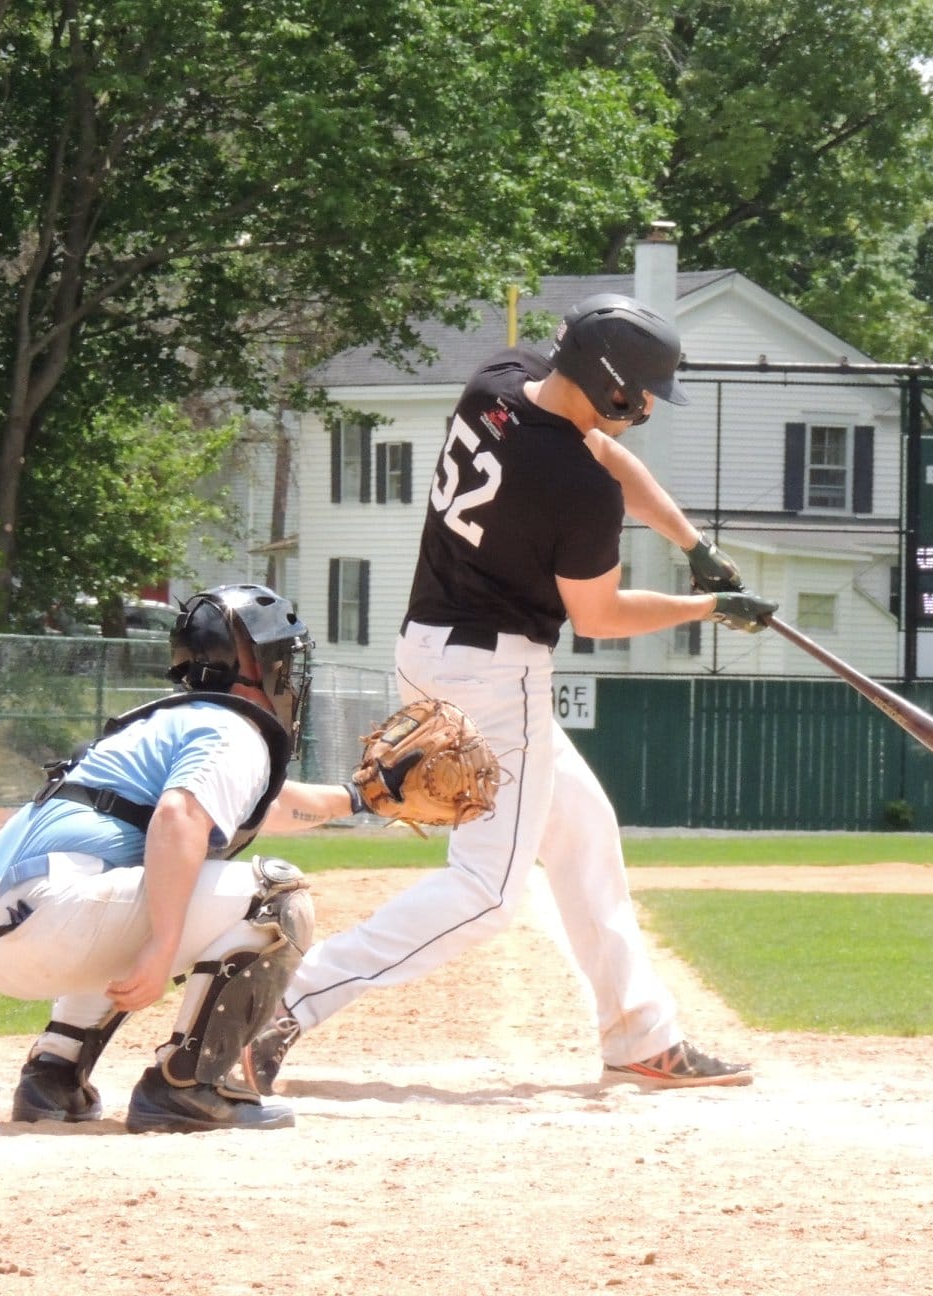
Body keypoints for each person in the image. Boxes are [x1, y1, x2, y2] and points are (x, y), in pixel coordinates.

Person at [245, 292, 776, 1094]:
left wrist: (691, 543)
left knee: (584, 835)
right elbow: (598, 613)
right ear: (613, 388)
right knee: (487, 892)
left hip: (430, 647)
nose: (645, 411)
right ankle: (281, 1007)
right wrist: (708, 605)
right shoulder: (573, 488)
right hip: (496, 676)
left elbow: (596, 449)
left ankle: (643, 1034)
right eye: (642, 396)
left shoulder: (498, 382)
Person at [0, 583, 364, 1134]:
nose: (289, 672)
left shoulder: (170, 723)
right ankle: (188, 1086)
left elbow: (271, 808)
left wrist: (363, 796)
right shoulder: (234, 729)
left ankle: (53, 1075)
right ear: (253, 663)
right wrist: (161, 946)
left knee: (141, 882)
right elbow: (179, 818)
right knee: (275, 897)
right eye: (283, 658)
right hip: (54, 913)